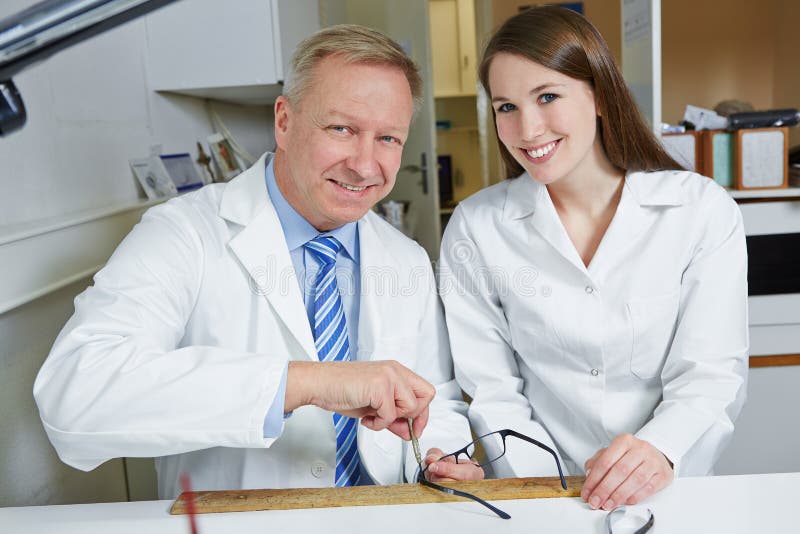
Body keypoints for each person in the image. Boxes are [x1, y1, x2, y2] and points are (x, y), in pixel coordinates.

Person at [34, 24, 482, 499]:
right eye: (342, 129)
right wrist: (306, 383)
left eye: (388, 138)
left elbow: (438, 396)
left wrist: (444, 459)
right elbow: (74, 397)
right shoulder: (184, 233)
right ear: (284, 121)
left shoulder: (406, 258)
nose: (365, 164)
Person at [439, 6, 748, 512]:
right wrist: (550, 495)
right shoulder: (477, 228)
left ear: (601, 95)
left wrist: (660, 452)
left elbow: (710, 373)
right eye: (506, 107)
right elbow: (493, 391)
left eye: (547, 97)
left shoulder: (698, 210)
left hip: (674, 491)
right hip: (541, 496)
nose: (527, 128)